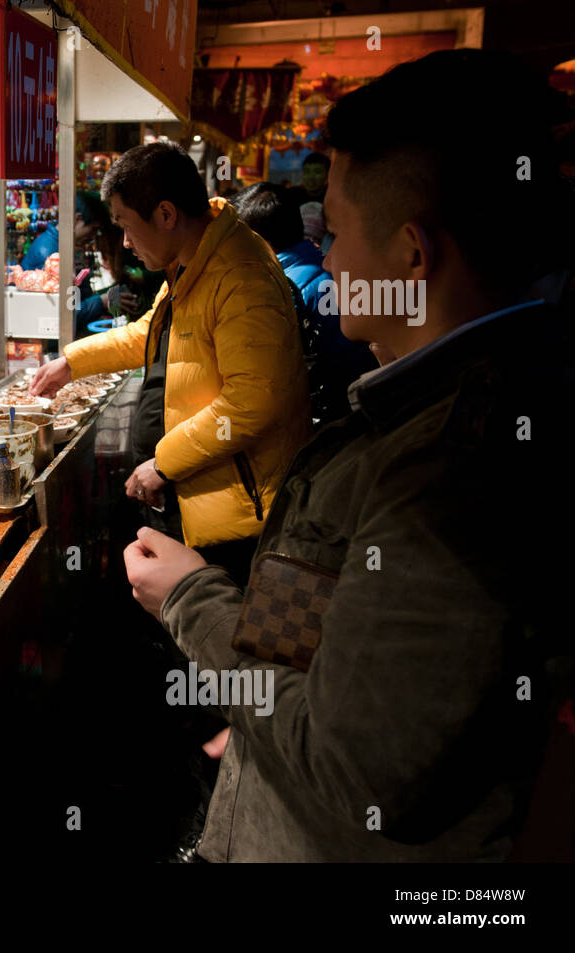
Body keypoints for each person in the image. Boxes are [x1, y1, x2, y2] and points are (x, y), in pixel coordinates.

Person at [123, 49, 572, 861]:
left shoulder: (454, 464)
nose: (326, 262)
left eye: (335, 231)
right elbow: (318, 644)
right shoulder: (406, 413)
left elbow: (353, 764)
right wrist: (253, 710)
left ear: (410, 254)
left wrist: (192, 598)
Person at [31, 142, 311, 586]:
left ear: (165, 215)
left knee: (211, 636)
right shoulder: (195, 258)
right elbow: (152, 332)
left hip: (235, 518)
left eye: (126, 225)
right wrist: (72, 362)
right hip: (199, 497)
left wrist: (164, 463)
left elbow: (253, 402)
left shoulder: (238, 276)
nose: (123, 241)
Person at [231, 182, 376, 424]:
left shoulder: (277, 288)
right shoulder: (326, 265)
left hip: (319, 417)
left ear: (257, 241)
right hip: (357, 408)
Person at [20, 190, 109, 271]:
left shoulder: (60, 245)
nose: (93, 235)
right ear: (77, 219)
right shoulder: (49, 253)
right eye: (93, 229)